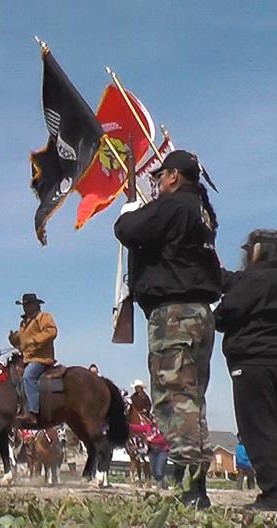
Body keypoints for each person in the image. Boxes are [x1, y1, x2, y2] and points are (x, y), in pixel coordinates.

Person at [115, 149, 222, 509]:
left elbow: (128, 230)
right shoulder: (202, 211)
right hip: (199, 314)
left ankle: (190, 488)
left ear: (175, 176)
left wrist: (129, 210)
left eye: (161, 176)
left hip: (174, 315)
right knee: (192, 401)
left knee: (174, 400)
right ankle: (197, 485)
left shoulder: (176, 206)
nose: (157, 182)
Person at [214, 229, 277, 511]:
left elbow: (225, 316)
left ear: (257, 252)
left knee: (258, 429)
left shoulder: (254, 279)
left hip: (253, 361)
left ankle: (273, 495)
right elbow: (228, 279)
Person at [8, 293, 57, 426]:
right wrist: (14, 339)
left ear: (36, 304)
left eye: (28, 304)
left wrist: (35, 340)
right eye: (24, 305)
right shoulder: (23, 323)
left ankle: (33, 412)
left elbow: (51, 331)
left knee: (28, 376)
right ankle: (20, 407)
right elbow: (21, 343)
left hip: (41, 358)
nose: (25, 308)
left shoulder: (43, 317)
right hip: (27, 359)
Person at [129, 418, 170, 489]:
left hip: (162, 450)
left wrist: (151, 440)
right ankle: (163, 482)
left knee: (158, 469)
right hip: (152, 451)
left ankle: (159, 487)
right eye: (152, 418)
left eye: (155, 418)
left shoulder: (163, 428)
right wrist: (126, 425)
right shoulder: (148, 427)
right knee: (153, 470)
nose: (153, 419)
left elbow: (164, 440)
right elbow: (137, 428)